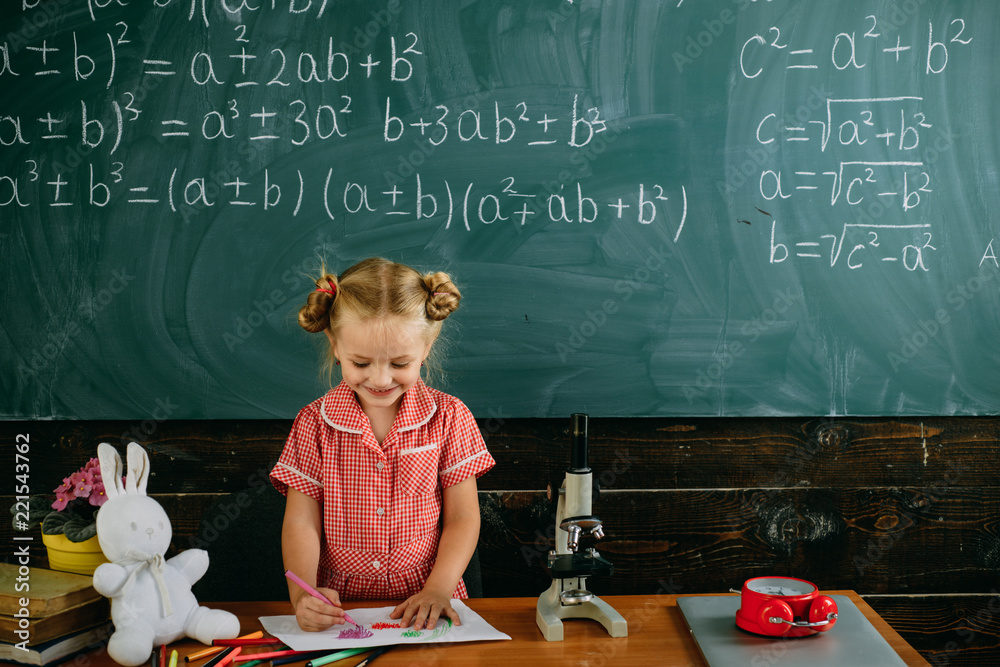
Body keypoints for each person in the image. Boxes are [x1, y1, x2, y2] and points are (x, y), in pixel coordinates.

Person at [269, 257, 495, 633]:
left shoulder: (450, 417)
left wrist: (439, 589)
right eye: (360, 362)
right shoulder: (313, 423)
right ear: (334, 344)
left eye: (399, 363)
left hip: (428, 601)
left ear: (428, 344)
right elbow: (301, 522)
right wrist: (302, 595)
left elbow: (463, 518)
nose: (380, 378)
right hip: (340, 610)